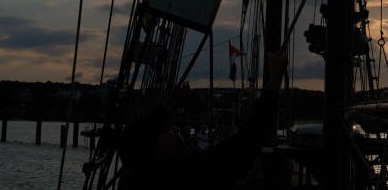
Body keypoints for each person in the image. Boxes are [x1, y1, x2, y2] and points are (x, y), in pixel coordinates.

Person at [118, 50, 288, 189]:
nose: (173, 132)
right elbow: (245, 144)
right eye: (164, 132)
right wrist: (274, 81)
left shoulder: (133, 180)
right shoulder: (187, 177)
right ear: (153, 150)